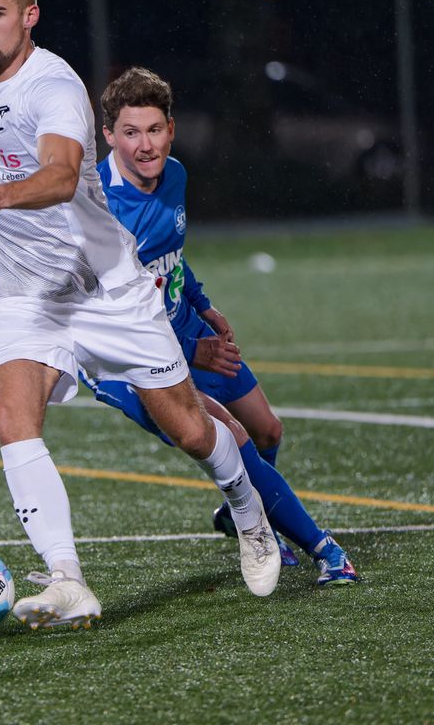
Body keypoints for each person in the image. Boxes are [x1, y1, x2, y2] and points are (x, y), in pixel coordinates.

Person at [0, 0, 280, 631]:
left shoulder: (55, 87)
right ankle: (68, 579)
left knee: (190, 427)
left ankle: (249, 512)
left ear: (29, 17)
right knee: (10, 416)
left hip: (106, 290)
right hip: (27, 296)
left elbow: (60, 172)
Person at [89, 66, 358, 585]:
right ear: (108, 136)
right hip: (129, 359)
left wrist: (202, 304)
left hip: (186, 331)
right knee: (230, 438)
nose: (145, 146)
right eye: (130, 132)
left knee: (267, 429)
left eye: (154, 130)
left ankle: (245, 511)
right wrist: (192, 352)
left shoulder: (177, 175)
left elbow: (170, 258)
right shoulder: (98, 205)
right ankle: (327, 551)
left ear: (172, 128)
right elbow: (109, 312)